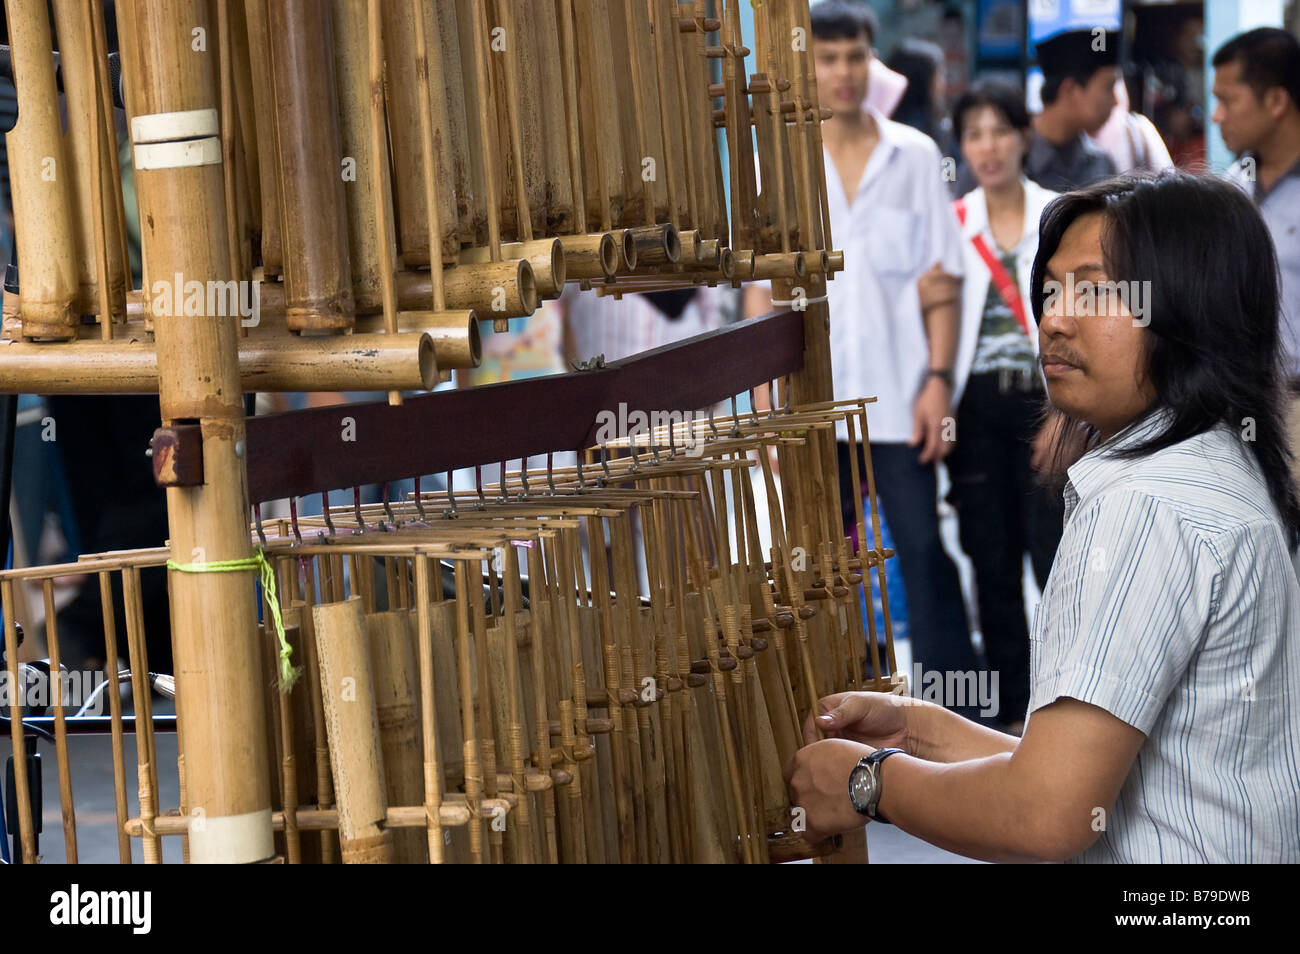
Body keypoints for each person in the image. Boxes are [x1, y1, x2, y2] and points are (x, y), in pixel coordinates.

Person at [786, 172, 1300, 862]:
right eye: (1053, 290)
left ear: (1189, 309)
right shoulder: (1210, 465)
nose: (1054, 318)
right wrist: (917, 732)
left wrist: (866, 783)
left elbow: (1045, 815)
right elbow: (1080, 778)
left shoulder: (1147, 508)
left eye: (1094, 289)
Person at [747, 0, 981, 704]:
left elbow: (942, 282)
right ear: (804, 66)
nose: (843, 72)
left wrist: (938, 382)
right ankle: (832, 698)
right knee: (819, 560)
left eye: (855, 57)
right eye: (828, 58)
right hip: (813, 404)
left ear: (869, 62)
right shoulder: (780, 161)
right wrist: (764, 402)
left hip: (896, 399)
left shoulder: (914, 156)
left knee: (921, 550)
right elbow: (762, 287)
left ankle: (958, 705)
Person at [945, 81, 1063, 735]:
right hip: (972, 410)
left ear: (1024, 136)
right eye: (973, 134)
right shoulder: (952, 222)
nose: (987, 147)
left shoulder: (1059, 213)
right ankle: (1009, 713)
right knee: (989, 558)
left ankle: (1068, 701)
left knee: (1056, 557)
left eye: (1000, 131)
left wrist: (1066, 416)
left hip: (1046, 402)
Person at [1213, 28, 1300, 476]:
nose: (1216, 115)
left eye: (1228, 100)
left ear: (1276, 102)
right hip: (1239, 411)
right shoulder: (1233, 187)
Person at [1026, 29, 1119, 191]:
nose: (1115, 101)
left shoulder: (1101, 167)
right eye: (1108, 87)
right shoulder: (1009, 159)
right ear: (1070, 90)